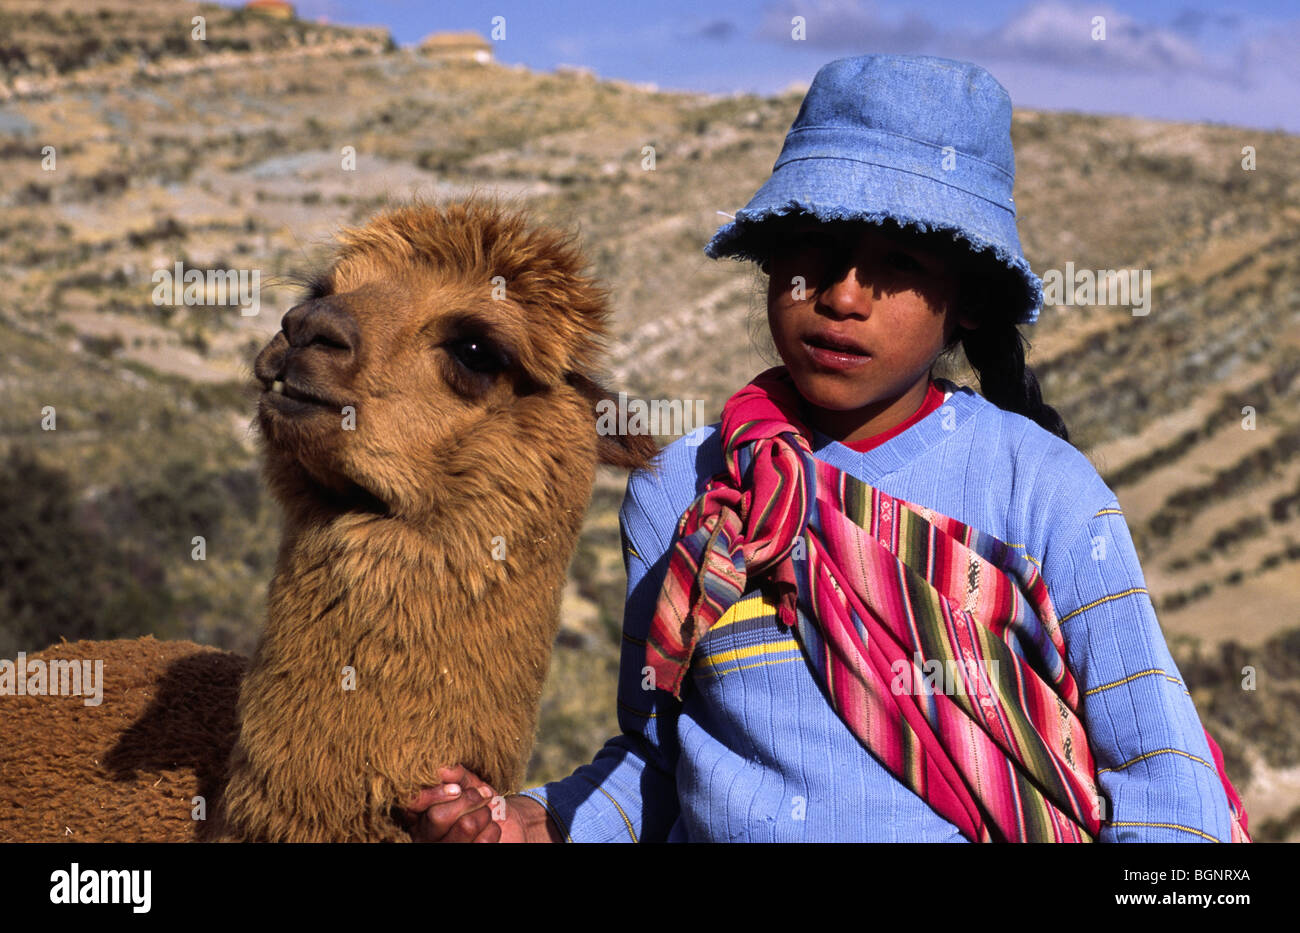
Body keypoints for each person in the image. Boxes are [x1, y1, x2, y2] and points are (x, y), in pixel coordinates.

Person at [402, 53, 1249, 843]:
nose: (844, 295)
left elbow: (1165, 785)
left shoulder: (1046, 491)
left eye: (900, 261)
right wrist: (533, 819)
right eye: (816, 251)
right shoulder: (683, 490)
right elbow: (663, 758)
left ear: (971, 304)